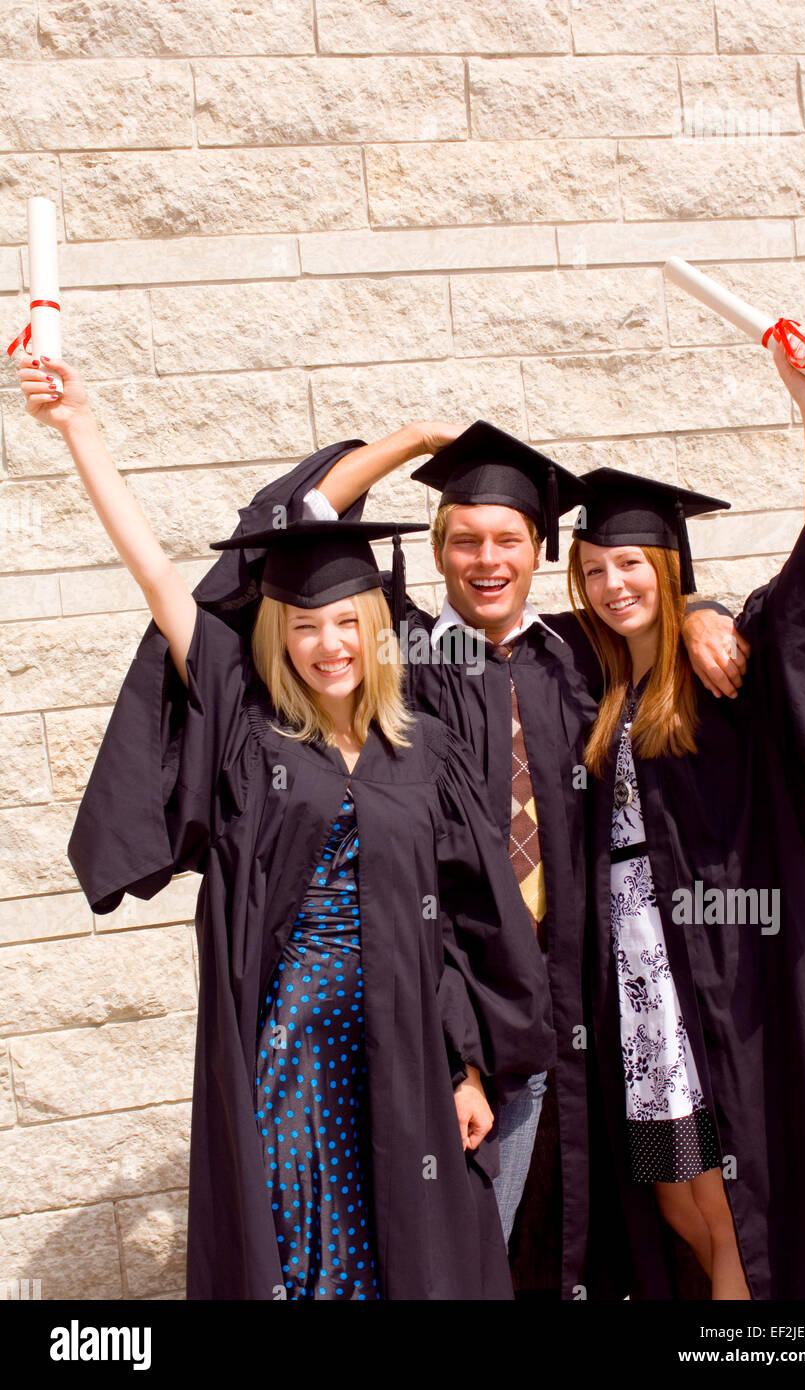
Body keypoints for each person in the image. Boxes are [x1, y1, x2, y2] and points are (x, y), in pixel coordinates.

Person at [16, 355, 555, 1300]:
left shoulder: (423, 751)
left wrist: (470, 1068)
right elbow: (157, 574)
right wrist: (80, 429)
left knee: (419, 1252)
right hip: (291, 1039)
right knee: (309, 1249)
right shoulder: (247, 727)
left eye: (347, 623)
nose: (328, 644)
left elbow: (472, 928)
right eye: (304, 627)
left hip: (405, 1038)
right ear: (277, 637)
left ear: (376, 630)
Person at [286, 420, 746, 1298]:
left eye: (507, 539)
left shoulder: (580, 650)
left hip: (592, 989)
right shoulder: (401, 655)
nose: (485, 559)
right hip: (456, 986)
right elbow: (306, 525)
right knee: (465, 1216)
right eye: (464, 540)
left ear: (540, 549)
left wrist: (700, 611)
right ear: (439, 551)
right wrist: (409, 441)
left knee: (619, 1202)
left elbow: (647, 602)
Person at [568, 330, 805, 1299]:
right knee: (672, 1189)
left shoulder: (727, 660)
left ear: (666, 561)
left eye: (632, 565)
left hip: (730, 968)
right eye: (594, 569)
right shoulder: (588, 681)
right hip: (638, 982)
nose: (615, 585)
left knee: (740, 1193)